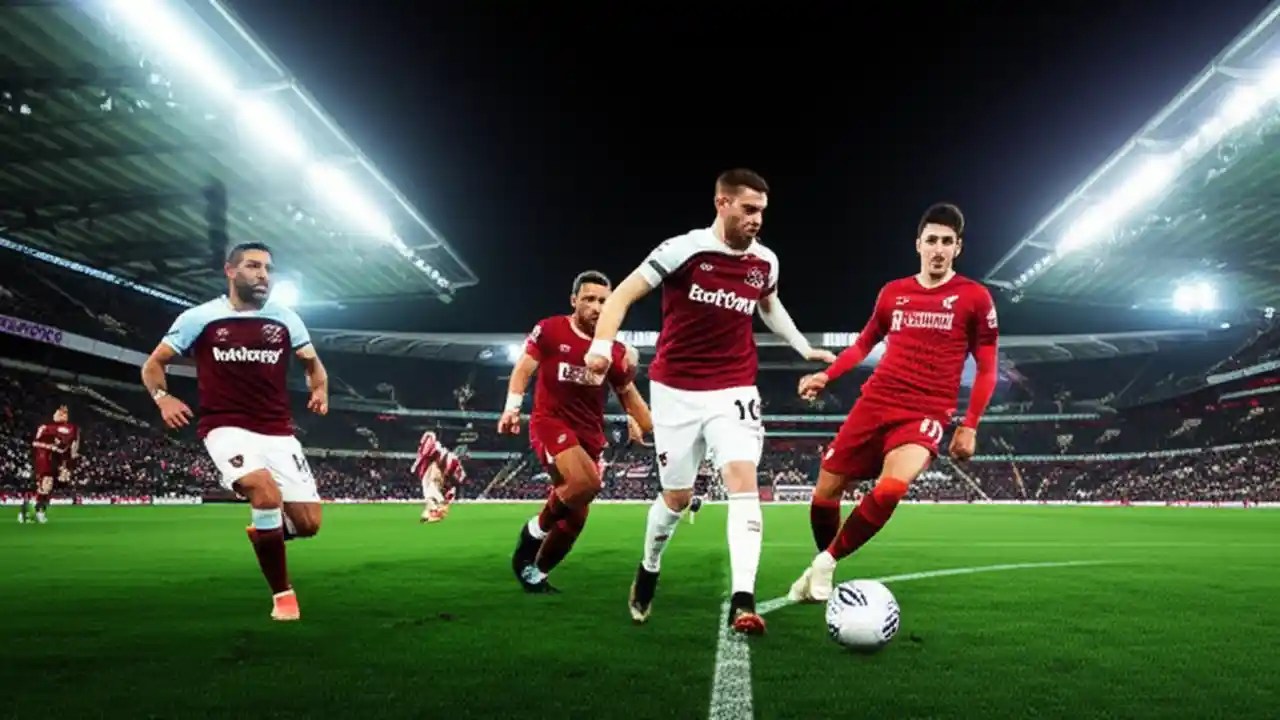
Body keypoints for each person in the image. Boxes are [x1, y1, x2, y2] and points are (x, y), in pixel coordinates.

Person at [585, 169, 834, 634]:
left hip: (734, 387)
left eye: (763, 211)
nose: (757, 219)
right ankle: (649, 565)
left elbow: (768, 305)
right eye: (748, 209)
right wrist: (601, 346)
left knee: (742, 480)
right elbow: (622, 295)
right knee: (676, 498)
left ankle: (744, 600)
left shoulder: (765, 262)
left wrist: (802, 347)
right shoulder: (684, 249)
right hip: (675, 390)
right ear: (722, 203)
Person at [787, 202, 1000, 603]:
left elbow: (988, 368)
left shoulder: (974, 298)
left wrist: (970, 423)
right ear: (918, 244)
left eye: (947, 242)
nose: (938, 249)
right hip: (876, 401)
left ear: (958, 248)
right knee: (823, 495)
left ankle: (827, 563)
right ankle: (822, 562)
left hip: (926, 410)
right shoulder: (894, 293)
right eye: (932, 240)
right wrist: (826, 375)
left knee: (890, 489)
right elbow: (864, 344)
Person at [141, 242, 329, 621]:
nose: (263, 274)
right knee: (263, 491)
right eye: (253, 266)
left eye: (268, 268)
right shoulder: (200, 317)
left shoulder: (286, 319)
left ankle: (264, 532)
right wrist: (163, 398)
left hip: (278, 430)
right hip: (225, 426)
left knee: (308, 524)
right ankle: (283, 596)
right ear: (230, 272)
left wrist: (320, 388)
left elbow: (313, 364)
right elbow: (153, 365)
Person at [500, 270, 653, 593]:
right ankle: (531, 536)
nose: (597, 307)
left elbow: (627, 392)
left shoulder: (613, 350)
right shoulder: (551, 330)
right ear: (574, 301)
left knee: (575, 521)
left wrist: (647, 424)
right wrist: (512, 408)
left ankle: (536, 574)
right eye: (589, 299)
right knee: (586, 483)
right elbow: (523, 368)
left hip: (589, 436)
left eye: (604, 301)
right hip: (550, 423)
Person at [21, 405, 79, 524]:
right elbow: (35, 443)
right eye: (58, 412)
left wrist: (68, 462)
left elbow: (73, 446)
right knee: (45, 484)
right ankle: (37, 512)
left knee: (49, 487)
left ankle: (31, 509)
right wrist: (51, 447)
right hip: (44, 459)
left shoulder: (72, 428)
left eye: (64, 413)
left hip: (58, 461)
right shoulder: (45, 427)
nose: (60, 415)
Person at [413, 431, 466, 523]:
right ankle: (430, 512)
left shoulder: (440, 454)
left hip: (439, 472)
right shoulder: (446, 456)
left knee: (429, 490)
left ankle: (436, 508)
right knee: (429, 491)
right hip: (441, 472)